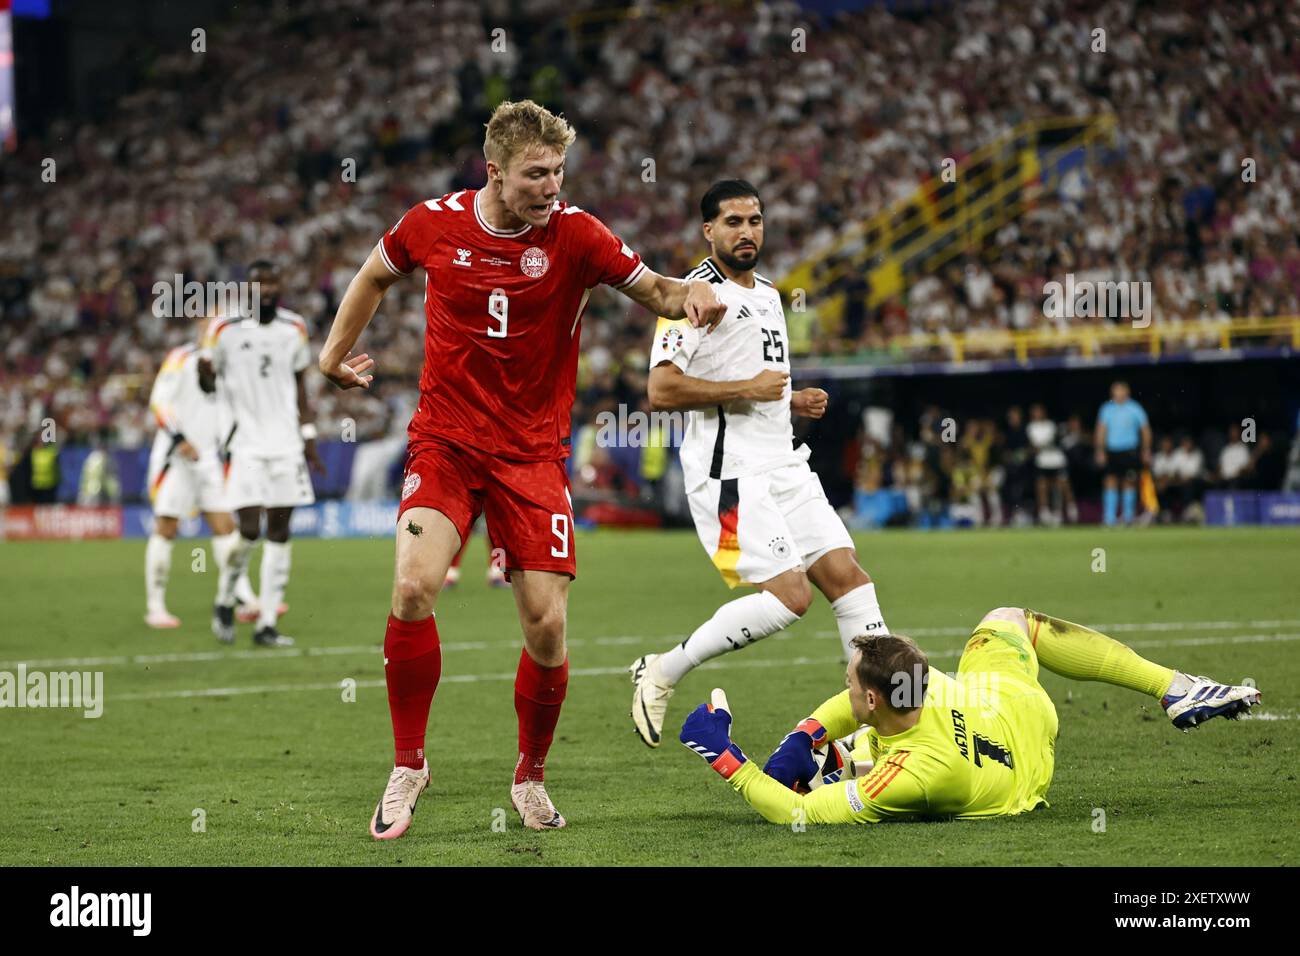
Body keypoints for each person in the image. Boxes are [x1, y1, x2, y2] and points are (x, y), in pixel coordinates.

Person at [316, 100, 726, 838]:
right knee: (412, 586)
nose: (551, 187)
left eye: (559, 172)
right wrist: (330, 355)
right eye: (536, 174)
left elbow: (658, 292)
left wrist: (692, 290)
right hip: (445, 439)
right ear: (495, 171)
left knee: (546, 627)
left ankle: (529, 777)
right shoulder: (433, 223)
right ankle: (409, 763)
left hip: (532, 453)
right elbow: (373, 277)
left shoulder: (577, 234)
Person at [627, 180, 890, 749]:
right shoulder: (688, 297)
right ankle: (663, 670)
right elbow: (662, 390)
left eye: (755, 221)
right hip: (729, 474)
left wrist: (790, 400)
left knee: (851, 582)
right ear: (709, 231)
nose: (746, 232)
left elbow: (754, 379)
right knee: (792, 596)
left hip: (785, 463)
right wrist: (751, 387)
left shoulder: (770, 293)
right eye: (733, 222)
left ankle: (874, 728)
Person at [679, 607, 1260, 824]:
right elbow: (856, 708)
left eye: (850, 682)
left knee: (858, 765)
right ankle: (1174, 688)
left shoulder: (911, 774)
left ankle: (838, 763)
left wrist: (725, 757)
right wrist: (808, 730)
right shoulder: (917, 682)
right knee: (1009, 618)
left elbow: (798, 815)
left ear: (874, 700)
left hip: (1017, 777)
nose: (844, 687)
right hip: (1017, 709)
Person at [202, 261, 322, 647]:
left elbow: (301, 386)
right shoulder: (225, 330)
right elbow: (208, 381)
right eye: (259, 285)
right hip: (246, 444)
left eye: (272, 284)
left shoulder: (294, 328)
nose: (267, 291)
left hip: (286, 444)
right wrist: (204, 370)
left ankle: (267, 623)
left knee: (280, 532)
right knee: (249, 530)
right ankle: (225, 597)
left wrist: (308, 436)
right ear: (247, 290)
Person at [144, 327, 251, 630]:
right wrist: (179, 438)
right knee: (167, 526)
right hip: (176, 457)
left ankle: (240, 598)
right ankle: (155, 608)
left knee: (226, 527)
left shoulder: (230, 365)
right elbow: (159, 402)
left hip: (207, 460)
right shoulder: (180, 357)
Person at [1094, 381, 1152, 526]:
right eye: (1115, 391)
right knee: (1110, 481)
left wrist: (1146, 449)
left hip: (1129, 450)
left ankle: (1128, 516)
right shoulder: (1107, 408)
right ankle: (1109, 518)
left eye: (1121, 390)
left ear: (1127, 392)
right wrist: (1100, 450)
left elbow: (1145, 430)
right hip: (1112, 450)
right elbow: (1101, 430)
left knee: (1129, 482)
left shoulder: (1135, 408)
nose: (1118, 394)